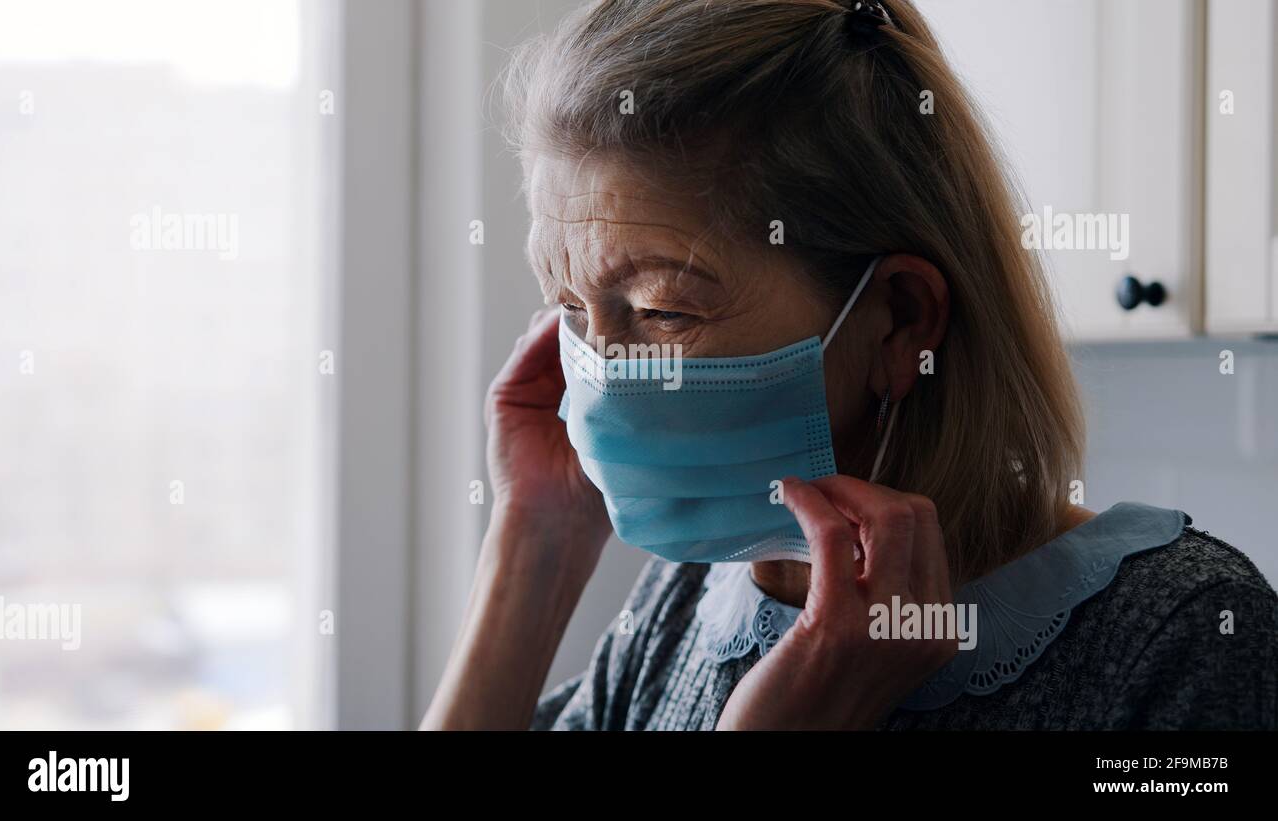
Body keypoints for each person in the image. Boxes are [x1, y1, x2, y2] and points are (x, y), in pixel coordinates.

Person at [420, 0, 1278, 730]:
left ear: (899, 320)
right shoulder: (691, 595)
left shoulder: (1182, 637)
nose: (598, 374)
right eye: (569, 306)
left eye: (660, 311)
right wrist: (532, 542)